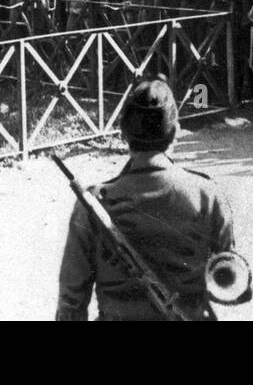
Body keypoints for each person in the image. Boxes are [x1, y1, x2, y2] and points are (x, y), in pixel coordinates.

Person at [55, 77, 241, 321]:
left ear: (123, 133)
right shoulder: (208, 195)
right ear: (175, 131)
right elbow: (232, 286)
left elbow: (71, 301)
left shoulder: (92, 204)